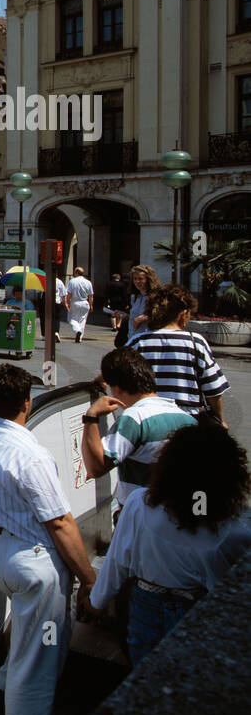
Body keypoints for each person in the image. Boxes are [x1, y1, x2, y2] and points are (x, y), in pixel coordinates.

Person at [0, 363, 97, 715]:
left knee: (24, 649)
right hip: (35, 563)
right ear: (27, 402)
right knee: (34, 670)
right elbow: (59, 522)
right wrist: (89, 579)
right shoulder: (31, 455)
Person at [87, 421, 251, 667]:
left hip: (144, 609)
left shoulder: (138, 504)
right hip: (200, 613)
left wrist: (96, 602)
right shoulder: (236, 529)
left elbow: (118, 563)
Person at [81, 347, 197, 515]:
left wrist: (91, 416)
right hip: (178, 515)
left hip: (141, 518)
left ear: (117, 389)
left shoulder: (134, 419)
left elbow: (95, 467)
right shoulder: (188, 420)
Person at [126, 284, 229, 422]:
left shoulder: (139, 341)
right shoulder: (195, 342)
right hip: (186, 418)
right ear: (183, 314)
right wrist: (221, 420)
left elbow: (118, 370)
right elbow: (213, 389)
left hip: (148, 418)